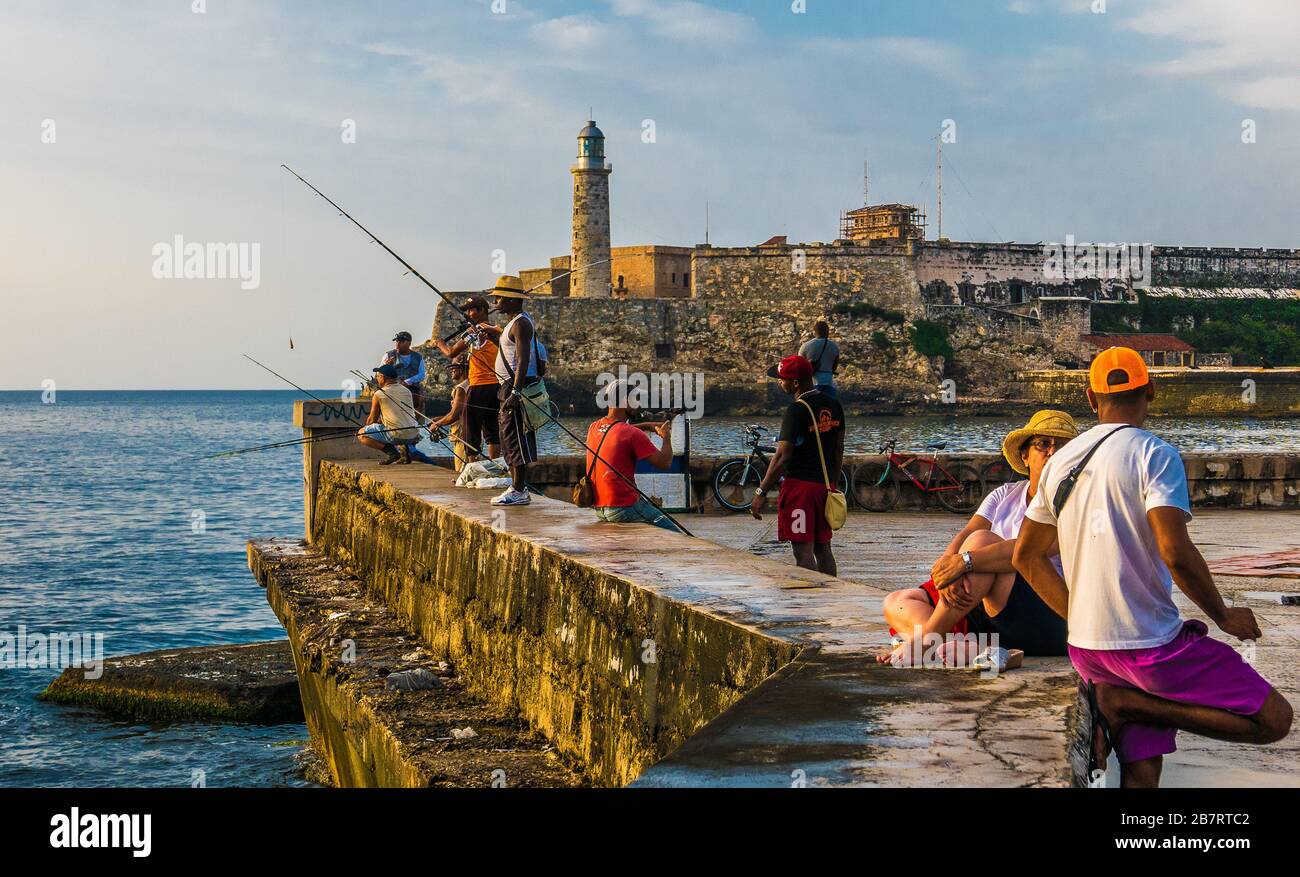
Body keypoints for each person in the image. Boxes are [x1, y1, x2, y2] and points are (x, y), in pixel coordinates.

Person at [1014, 347, 1292, 788]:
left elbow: (1026, 557)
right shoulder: (1154, 455)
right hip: (1148, 647)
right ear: (1152, 390)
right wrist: (1224, 616)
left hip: (1088, 651)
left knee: (1144, 769)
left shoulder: (1059, 463)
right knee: (1274, 719)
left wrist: (1081, 618)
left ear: (1090, 398)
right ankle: (1127, 704)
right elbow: (1175, 551)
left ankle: (1126, 710)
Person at [877, 410, 1078, 665]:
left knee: (984, 544)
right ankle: (966, 644)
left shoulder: (1075, 502)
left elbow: (1032, 549)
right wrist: (948, 567)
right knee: (897, 601)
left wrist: (966, 562)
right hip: (986, 600)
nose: (1052, 452)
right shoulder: (1005, 494)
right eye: (1043, 444)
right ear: (1025, 456)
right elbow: (966, 534)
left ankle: (929, 639)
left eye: (1062, 446)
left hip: (1046, 612)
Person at [749, 354, 845, 576]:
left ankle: (809, 598)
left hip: (800, 489)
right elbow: (839, 449)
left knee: (803, 550)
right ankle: (832, 595)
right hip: (824, 487)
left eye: (782, 379)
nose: (779, 382)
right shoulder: (834, 405)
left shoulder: (796, 410)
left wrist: (761, 491)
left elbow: (783, 456)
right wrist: (833, 483)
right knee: (823, 548)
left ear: (795, 383)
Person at [585, 379, 682, 532]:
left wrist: (648, 426)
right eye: (635, 397)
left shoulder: (594, 427)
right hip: (623, 506)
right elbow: (664, 463)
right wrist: (666, 436)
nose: (638, 402)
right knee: (678, 535)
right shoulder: (631, 434)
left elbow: (615, 430)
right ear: (625, 400)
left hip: (600, 508)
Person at [485, 275, 542, 506]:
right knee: (509, 438)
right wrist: (493, 337)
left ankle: (519, 490)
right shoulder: (515, 323)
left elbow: (523, 358)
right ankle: (516, 487)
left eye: (499, 297)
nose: (495, 301)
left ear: (510, 299)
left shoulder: (521, 323)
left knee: (515, 437)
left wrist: (516, 392)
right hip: (508, 385)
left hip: (514, 387)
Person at [432, 296, 500, 461]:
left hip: (478, 385)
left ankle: (471, 466)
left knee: (471, 428)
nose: (469, 314)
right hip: (496, 385)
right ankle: (494, 465)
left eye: (472, 310)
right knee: (492, 428)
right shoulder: (496, 330)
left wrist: (440, 343)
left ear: (482, 310)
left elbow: (451, 353)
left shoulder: (473, 332)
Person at [357, 364, 421, 465]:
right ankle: (405, 453)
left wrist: (365, 428)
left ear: (383, 377)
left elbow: (371, 420)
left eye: (378, 376)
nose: (377, 379)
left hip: (396, 435)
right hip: (413, 434)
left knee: (361, 434)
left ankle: (392, 453)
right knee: (397, 426)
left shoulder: (379, 394)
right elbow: (398, 415)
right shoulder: (407, 391)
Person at [427, 357, 470, 472]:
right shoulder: (471, 384)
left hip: (461, 434)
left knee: (461, 469)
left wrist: (437, 424)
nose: (451, 370)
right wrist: (439, 419)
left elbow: (455, 415)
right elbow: (459, 411)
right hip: (470, 431)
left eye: (454, 368)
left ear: (462, 369)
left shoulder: (461, 388)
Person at [383, 331, 427, 415]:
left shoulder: (418, 357)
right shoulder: (388, 355)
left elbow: (421, 374)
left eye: (401, 341)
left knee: (421, 398)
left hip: (412, 387)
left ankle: (415, 422)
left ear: (409, 343)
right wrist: (387, 366)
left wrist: (407, 382)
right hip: (393, 387)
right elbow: (380, 374)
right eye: (397, 341)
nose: (398, 344)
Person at [798, 321, 841, 398]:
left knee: (813, 407)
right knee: (829, 407)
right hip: (829, 384)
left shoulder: (805, 346)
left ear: (814, 332)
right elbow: (834, 367)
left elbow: (800, 368)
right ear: (827, 331)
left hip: (812, 385)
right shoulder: (834, 347)